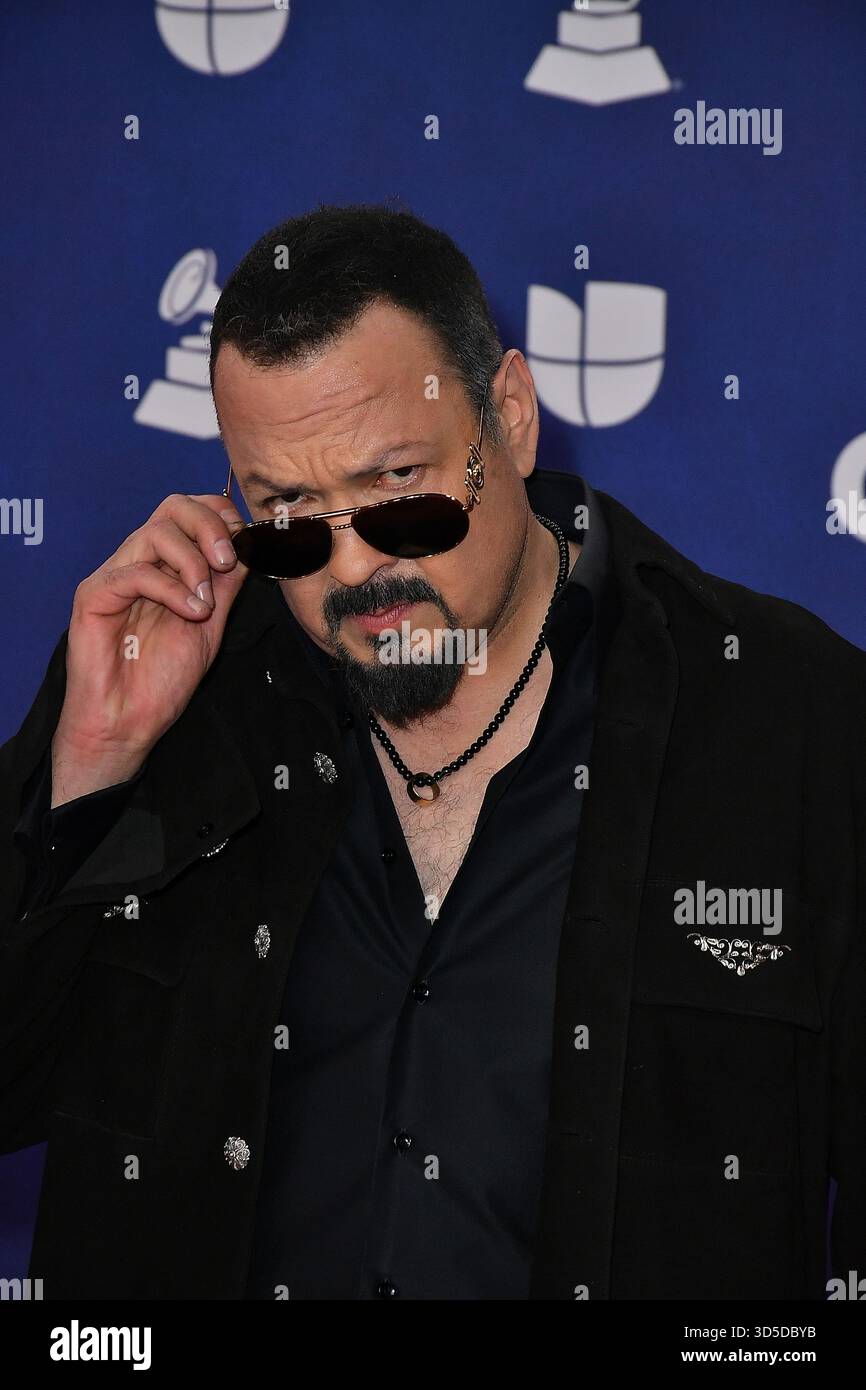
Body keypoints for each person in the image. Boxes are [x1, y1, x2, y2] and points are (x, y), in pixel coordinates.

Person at [1, 203, 864, 1301]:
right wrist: (88, 765)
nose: (352, 570)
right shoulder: (176, 703)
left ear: (509, 415)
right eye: (290, 514)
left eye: (396, 492)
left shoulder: (787, 721)